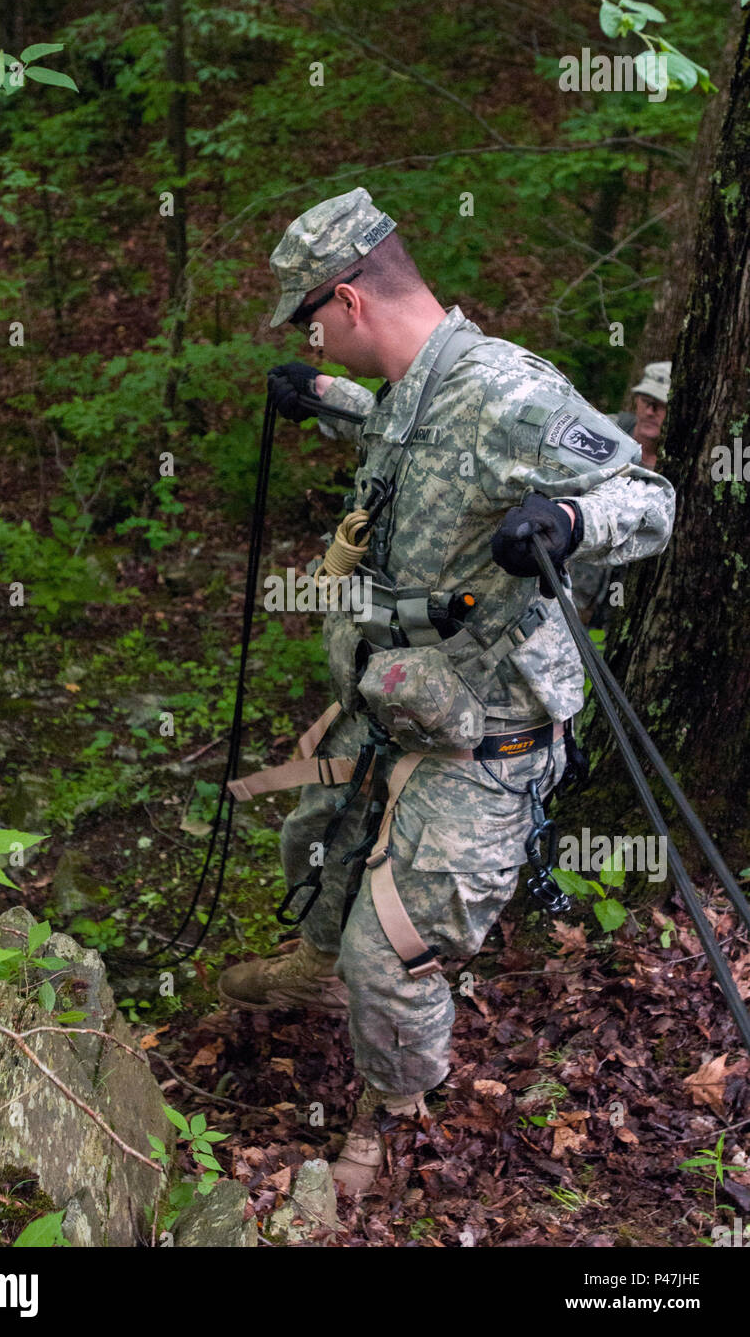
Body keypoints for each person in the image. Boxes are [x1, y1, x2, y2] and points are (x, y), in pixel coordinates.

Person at [217, 187, 675, 1198]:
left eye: (310, 320)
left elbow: (646, 498)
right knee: (317, 844)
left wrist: (563, 517)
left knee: (396, 956)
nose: (313, 337)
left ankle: (392, 1112)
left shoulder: (505, 388)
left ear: (348, 296)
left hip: (483, 733)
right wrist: (323, 399)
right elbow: (412, 442)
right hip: (395, 701)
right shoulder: (415, 384)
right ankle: (312, 968)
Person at [570, 361, 670, 625]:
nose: (651, 412)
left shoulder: (681, 464)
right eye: (646, 401)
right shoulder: (605, 435)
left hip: (630, 600)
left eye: (661, 405)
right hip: (575, 582)